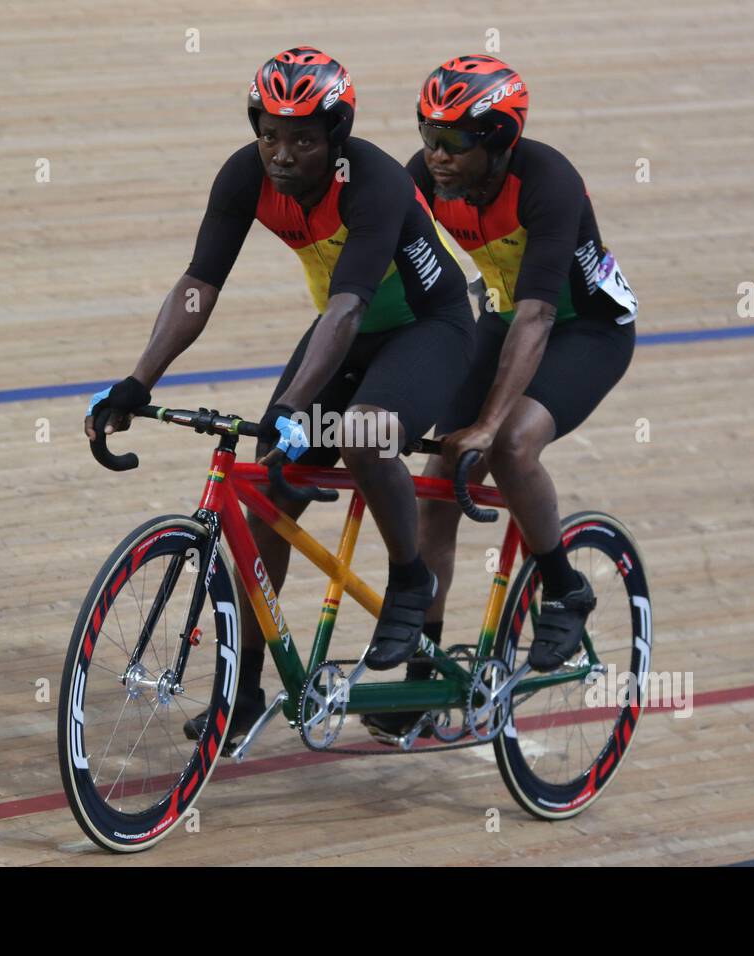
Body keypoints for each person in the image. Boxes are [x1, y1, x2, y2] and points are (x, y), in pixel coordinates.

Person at [84, 47, 474, 749]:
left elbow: (351, 305)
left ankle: (410, 581)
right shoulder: (246, 175)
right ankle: (244, 692)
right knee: (266, 496)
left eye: (302, 138)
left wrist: (295, 403)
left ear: (337, 136)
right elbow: (200, 285)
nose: (281, 153)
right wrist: (140, 380)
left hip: (427, 329)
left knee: (362, 435)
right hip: (344, 333)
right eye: (269, 134)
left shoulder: (375, 183)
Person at [362, 54, 638, 741]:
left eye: (454, 141)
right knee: (437, 487)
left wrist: (486, 422)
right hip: (504, 316)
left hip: (588, 328)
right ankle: (423, 684)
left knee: (511, 444)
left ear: (501, 140)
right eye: (428, 134)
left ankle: (564, 585)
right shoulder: (423, 177)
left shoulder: (549, 183)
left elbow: (542, 315)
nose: (436, 155)